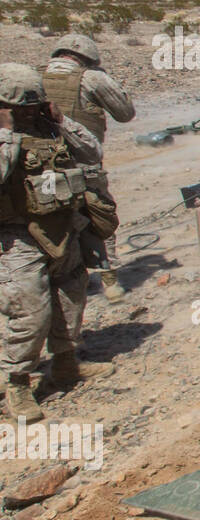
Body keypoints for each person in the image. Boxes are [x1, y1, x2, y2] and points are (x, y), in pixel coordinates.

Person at [0, 63, 115, 422]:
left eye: (35, 105)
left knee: (70, 297)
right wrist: (7, 134)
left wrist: (61, 120)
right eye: (22, 108)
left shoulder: (51, 127)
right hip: (18, 236)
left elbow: (91, 152)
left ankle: (66, 365)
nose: (29, 113)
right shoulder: (4, 137)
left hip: (64, 227)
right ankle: (17, 385)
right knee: (30, 312)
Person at [42, 33, 135, 302]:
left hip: (42, 168)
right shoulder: (91, 78)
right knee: (99, 216)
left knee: (49, 220)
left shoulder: (34, 77)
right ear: (88, 58)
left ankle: (54, 282)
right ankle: (110, 281)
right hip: (84, 164)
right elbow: (125, 113)